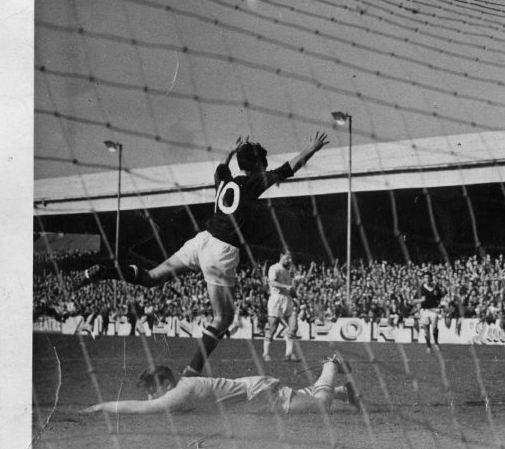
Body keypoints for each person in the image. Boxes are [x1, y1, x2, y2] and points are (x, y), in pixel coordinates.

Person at [75, 131, 329, 376]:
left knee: (151, 277)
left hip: (201, 241)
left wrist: (229, 151)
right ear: (259, 165)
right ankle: (191, 373)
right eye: (263, 163)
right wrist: (311, 149)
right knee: (223, 319)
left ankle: (105, 271)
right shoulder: (253, 182)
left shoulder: (225, 179)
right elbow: (289, 168)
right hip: (221, 250)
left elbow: (220, 166)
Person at [80, 352, 360, 416]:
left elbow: (143, 409)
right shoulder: (183, 386)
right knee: (301, 397)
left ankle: (331, 364)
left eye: (153, 389)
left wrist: (104, 406)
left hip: (257, 394)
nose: (153, 396)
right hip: (253, 392)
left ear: (165, 383)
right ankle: (342, 392)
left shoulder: (182, 391)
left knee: (320, 406)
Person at [262, 251, 301, 361]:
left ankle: (289, 354)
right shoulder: (274, 268)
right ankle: (266, 353)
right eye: (287, 258)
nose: (289, 260)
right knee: (273, 326)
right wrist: (286, 286)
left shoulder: (287, 272)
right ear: (281, 256)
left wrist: (293, 292)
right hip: (276, 299)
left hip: (287, 299)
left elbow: (288, 288)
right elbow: (272, 282)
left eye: (290, 259)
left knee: (293, 326)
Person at [413, 271, 443, 351]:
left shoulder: (435, 287)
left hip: (434, 309)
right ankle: (429, 346)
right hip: (424, 310)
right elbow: (414, 300)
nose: (427, 279)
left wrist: (438, 301)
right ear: (423, 279)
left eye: (428, 277)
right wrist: (420, 300)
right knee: (426, 330)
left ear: (431, 278)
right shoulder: (421, 288)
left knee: (435, 327)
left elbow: (440, 297)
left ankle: (436, 343)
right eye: (425, 278)